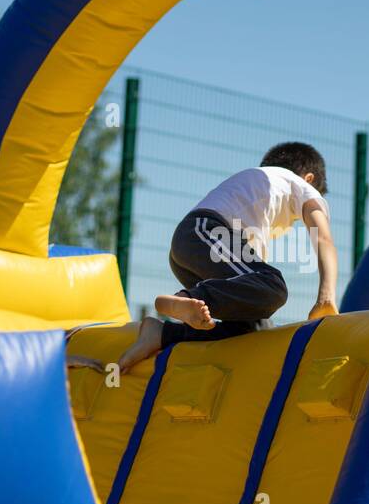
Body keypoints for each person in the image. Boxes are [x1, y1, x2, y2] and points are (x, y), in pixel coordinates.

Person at [116, 142, 339, 370]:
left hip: (191, 247)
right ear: (309, 178)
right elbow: (323, 238)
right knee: (274, 287)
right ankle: (184, 297)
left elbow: (249, 280)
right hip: (204, 231)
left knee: (252, 329)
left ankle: (162, 333)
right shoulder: (302, 187)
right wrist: (326, 296)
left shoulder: (257, 193)